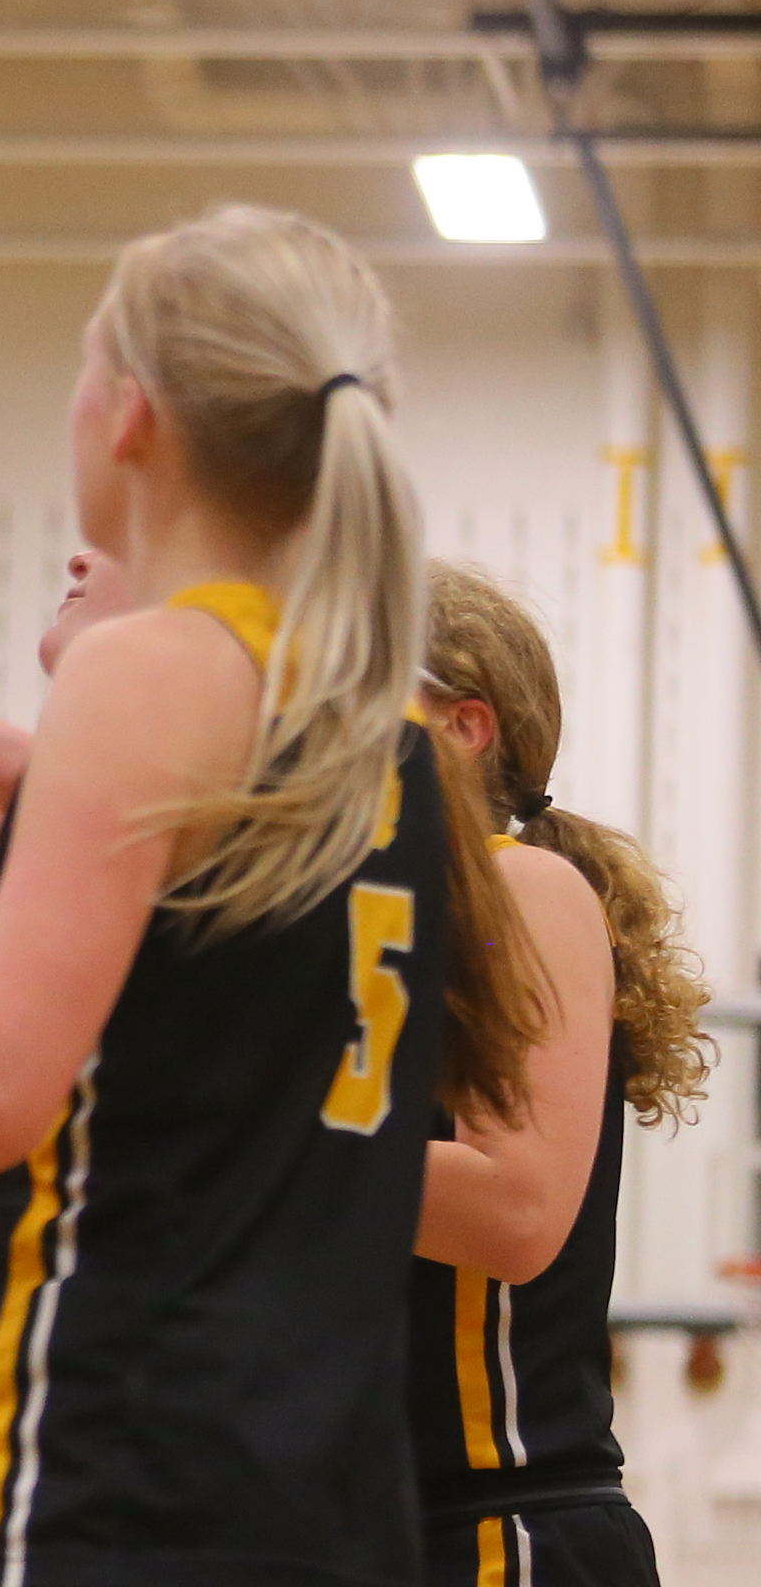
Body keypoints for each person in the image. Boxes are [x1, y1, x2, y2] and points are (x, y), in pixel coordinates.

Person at [0, 204, 548, 1585]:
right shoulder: (388, 747)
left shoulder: (151, 671)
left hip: (121, 1470)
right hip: (336, 1500)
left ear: (129, 414)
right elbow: (202, 915)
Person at [409, 565, 712, 1587]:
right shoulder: (353, 923)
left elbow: (513, 1212)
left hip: (504, 1529)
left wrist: (250, 1137)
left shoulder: (517, 885)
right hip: (366, 1525)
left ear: (464, 727)